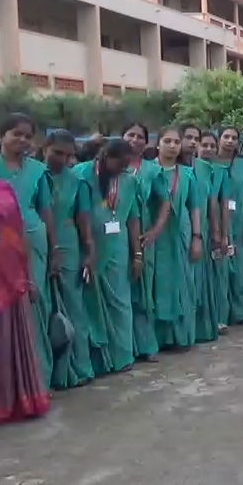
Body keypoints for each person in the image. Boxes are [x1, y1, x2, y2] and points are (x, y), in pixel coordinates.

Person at [0, 132, 50, 425]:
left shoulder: (3, 188)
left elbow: (18, 229)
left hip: (11, 273)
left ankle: (16, 401)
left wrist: (26, 275)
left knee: (10, 340)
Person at [0, 113, 58, 387]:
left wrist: (54, 250)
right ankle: (9, 383)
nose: (22, 140)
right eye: (15, 134)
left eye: (27, 136)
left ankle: (38, 378)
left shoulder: (38, 171)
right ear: (1, 136)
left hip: (34, 239)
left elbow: (46, 211)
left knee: (35, 304)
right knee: (4, 309)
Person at [73, 139, 142, 375]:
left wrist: (138, 255)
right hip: (86, 247)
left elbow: (133, 219)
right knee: (89, 304)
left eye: (126, 165)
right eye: (118, 164)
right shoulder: (80, 174)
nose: (121, 169)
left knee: (120, 303)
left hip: (117, 248)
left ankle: (122, 356)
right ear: (104, 156)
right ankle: (97, 361)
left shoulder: (129, 181)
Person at [41, 131, 95, 387]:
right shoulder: (35, 176)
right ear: (45, 149)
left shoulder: (77, 182)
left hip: (69, 249)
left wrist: (89, 253)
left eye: (67, 154)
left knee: (73, 308)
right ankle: (43, 375)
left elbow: (83, 222)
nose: (61, 159)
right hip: (37, 248)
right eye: (57, 153)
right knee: (41, 310)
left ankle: (77, 369)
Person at [122, 122, 170, 358]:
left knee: (142, 290)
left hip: (142, 237)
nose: (135, 139)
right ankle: (124, 347)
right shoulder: (110, 166)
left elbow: (165, 202)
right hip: (115, 236)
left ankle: (147, 345)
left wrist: (156, 230)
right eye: (130, 134)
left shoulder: (152, 170)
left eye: (140, 136)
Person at [151, 127, 201, 350]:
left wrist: (197, 237)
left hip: (181, 233)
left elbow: (195, 207)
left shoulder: (188, 174)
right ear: (158, 143)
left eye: (176, 142)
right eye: (167, 141)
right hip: (153, 236)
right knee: (157, 284)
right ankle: (157, 339)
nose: (172, 146)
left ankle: (181, 336)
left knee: (183, 283)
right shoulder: (147, 171)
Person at [180, 124, 222, 343]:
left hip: (201, 231)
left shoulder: (205, 168)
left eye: (196, 138)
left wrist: (215, 232)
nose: (193, 142)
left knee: (200, 282)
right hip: (177, 232)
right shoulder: (166, 168)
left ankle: (200, 329)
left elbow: (211, 202)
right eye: (188, 137)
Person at [215, 126, 243, 325]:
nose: (229, 141)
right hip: (217, 223)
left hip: (239, 222)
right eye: (226, 137)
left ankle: (238, 313)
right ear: (219, 139)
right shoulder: (210, 163)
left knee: (240, 270)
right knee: (220, 270)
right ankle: (220, 316)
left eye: (234, 138)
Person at [199, 132, 231, 334]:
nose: (209, 149)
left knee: (219, 274)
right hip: (197, 228)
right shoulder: (191, 169)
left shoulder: (221, 171)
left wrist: (223, 233)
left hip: (216, 228)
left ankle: (219, 318)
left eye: (212, 146)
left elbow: (223, 203)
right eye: (205, 145)